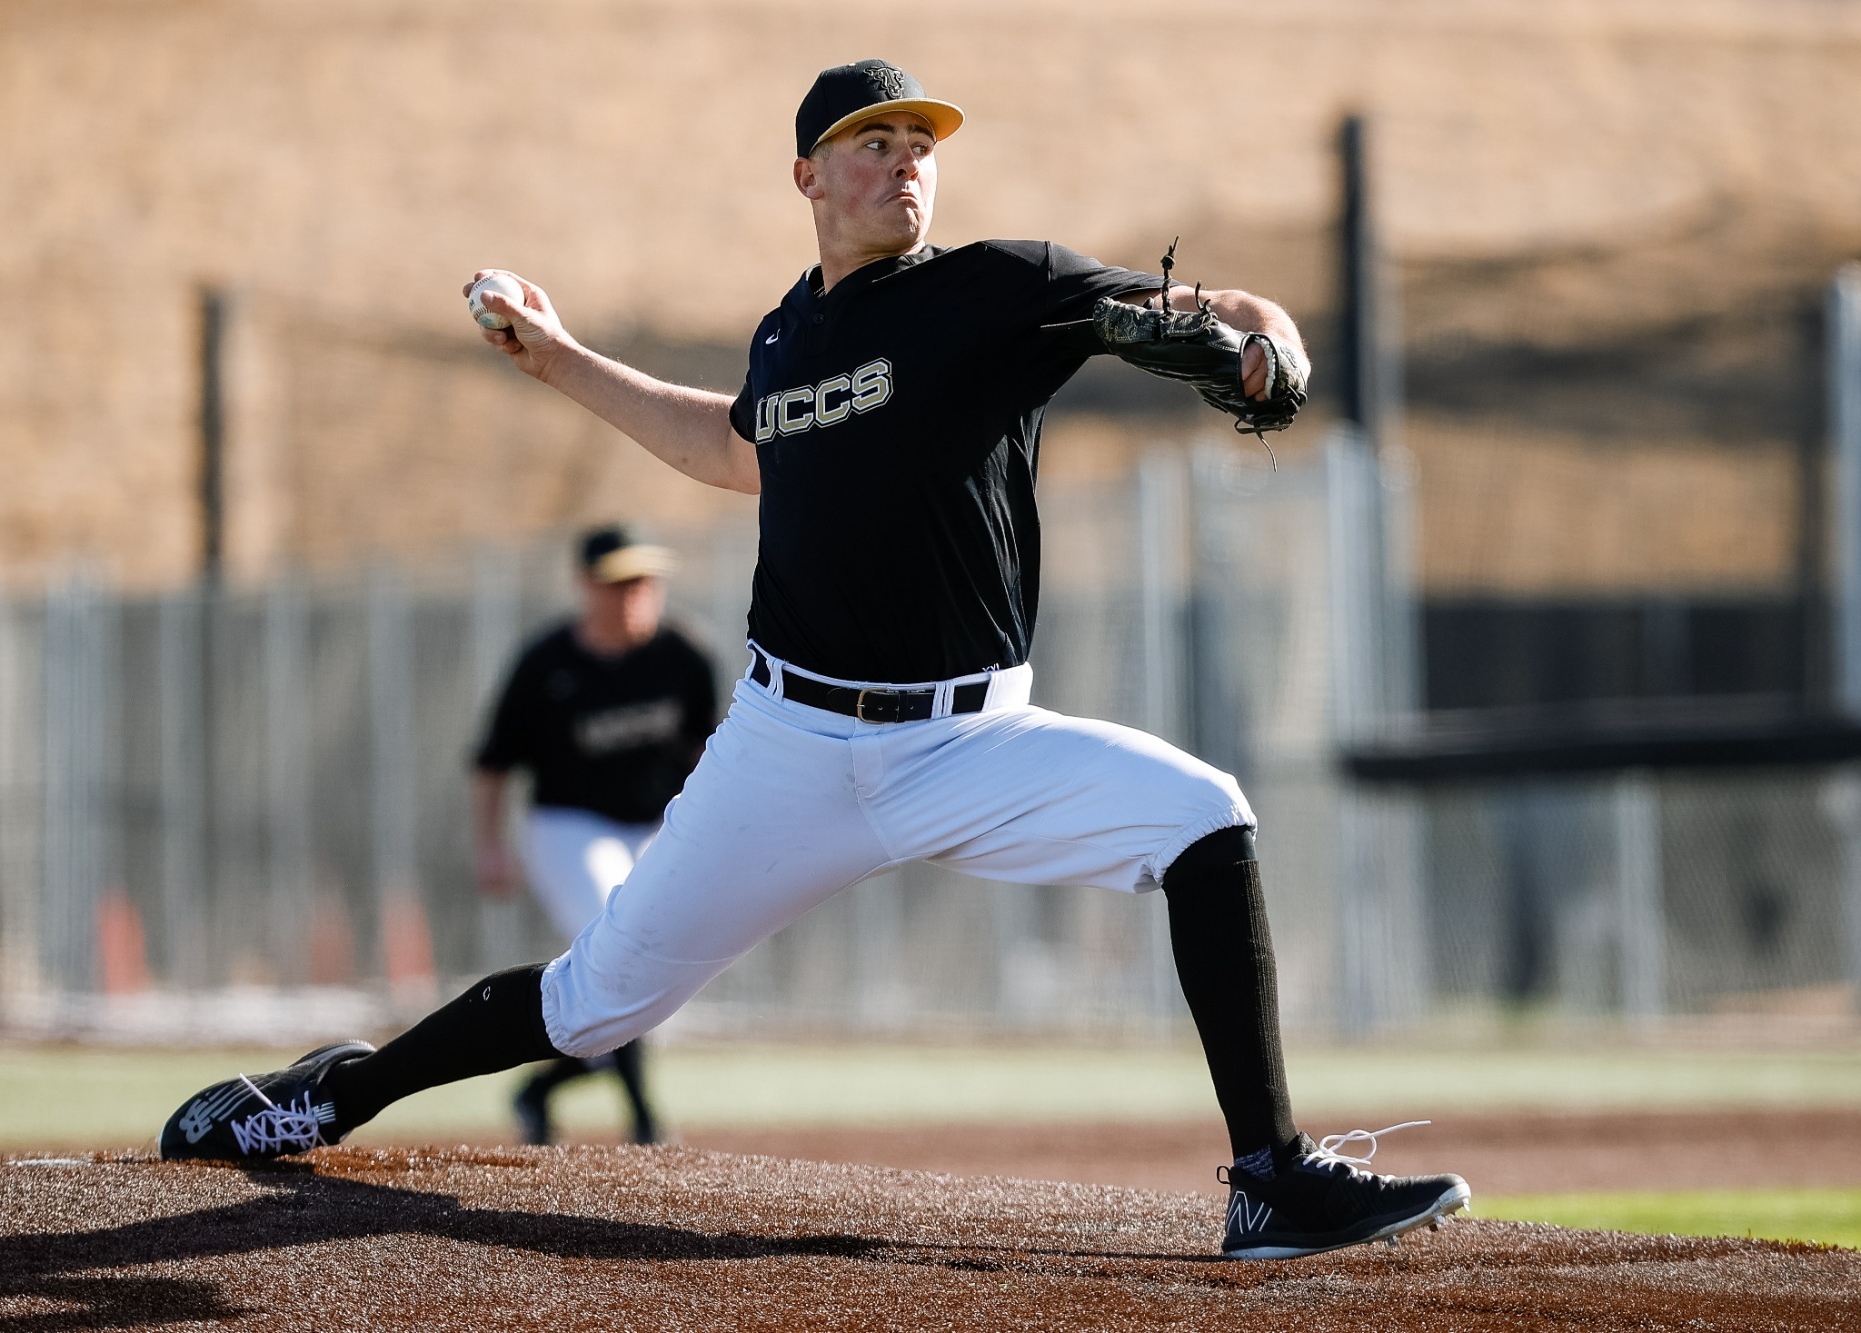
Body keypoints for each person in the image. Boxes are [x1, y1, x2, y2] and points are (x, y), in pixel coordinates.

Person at [160, 58, 1469, 1261]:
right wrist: (557, 360)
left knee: (1204, 817)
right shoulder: (789, 336)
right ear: (807, 176)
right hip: (788, 746)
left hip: (970, 742)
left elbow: (1195, 310)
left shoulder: (999, 290)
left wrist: (1266, 346)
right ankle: (332, 1093)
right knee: (592, 1004)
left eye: (920, 143)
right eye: (872, 142)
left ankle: (1269, 1179)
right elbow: (733, 450)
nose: (905, 162)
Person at [470, 524, 717, 1145]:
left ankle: (541, 1088)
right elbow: (493, 762)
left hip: (657, 826)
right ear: (585, 586)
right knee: (626, 949)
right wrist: (489, 845)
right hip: (569, 827)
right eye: (618, 582)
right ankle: (645, 1122)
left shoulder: (684, 655)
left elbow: (712, 756)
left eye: (644, 581)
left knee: (644, 978)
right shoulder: (548, 663)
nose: (634, 594)